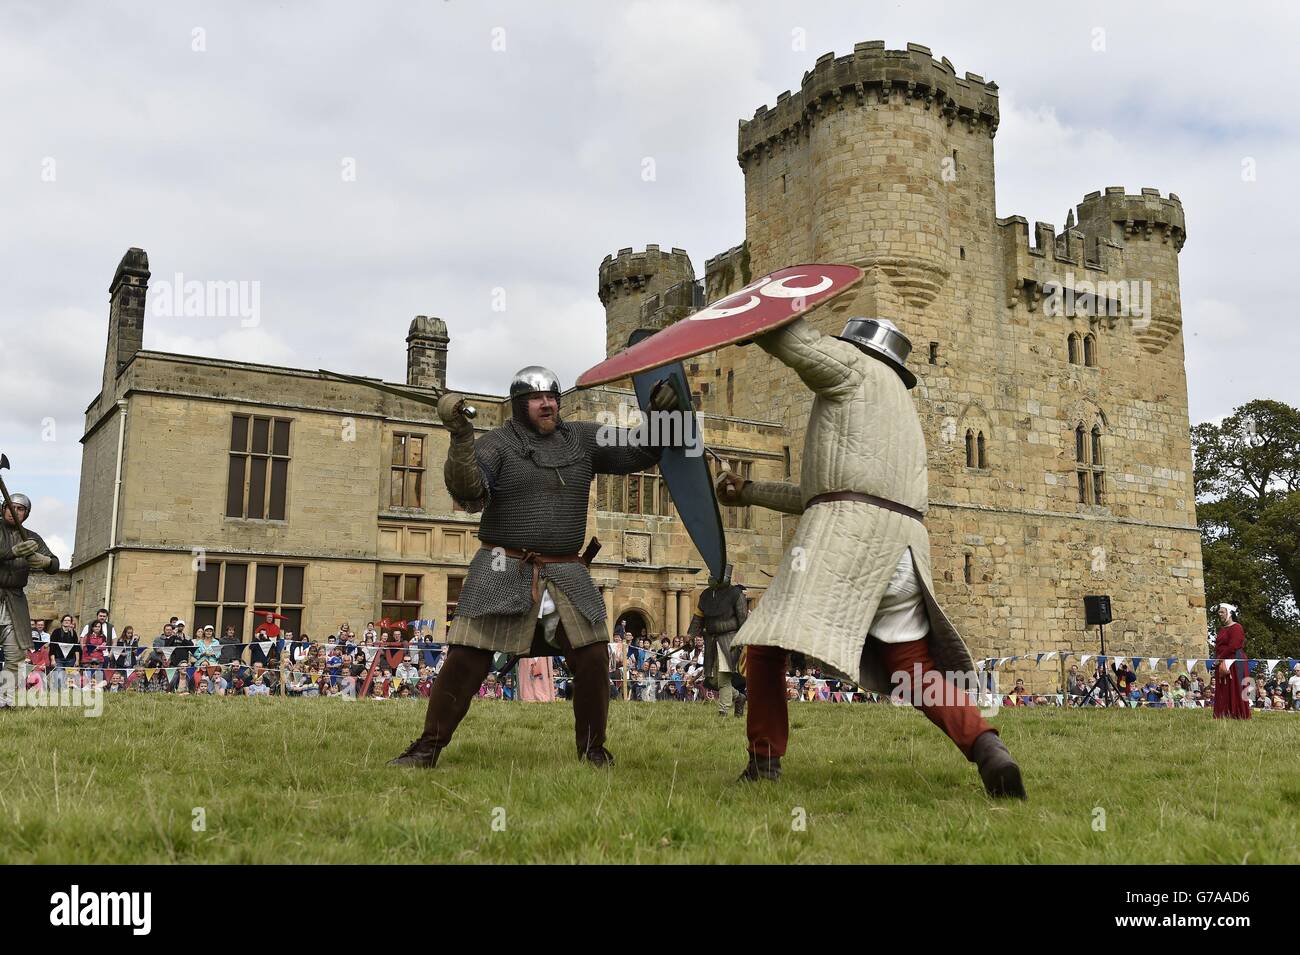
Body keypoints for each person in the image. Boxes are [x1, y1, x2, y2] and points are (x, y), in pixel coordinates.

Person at [720, 315, 1025, 797]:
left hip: (850, 537)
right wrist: (752, 491)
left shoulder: (853, 367)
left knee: (766, 642)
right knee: (912, 668)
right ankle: (988, 748)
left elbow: (792, 340)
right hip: (903, 549)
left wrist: (752, 308)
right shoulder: (899, 407)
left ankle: (764, 762)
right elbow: (826, 490)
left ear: (855, 348)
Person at [388, 365, 681, 769]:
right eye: (536, 399)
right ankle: (427, 746)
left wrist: (662, 410)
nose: (547, 404)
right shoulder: (497, 444)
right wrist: (459, 436)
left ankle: (593, 750)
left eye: (552, 397)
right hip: (502, 567)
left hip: (566, 571)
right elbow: (468, 492)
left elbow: (640, 449)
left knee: (594, 655)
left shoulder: (582, 437)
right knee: (466, 659)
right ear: (520, 405)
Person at [689, 565, 748, 718]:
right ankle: (739, 697)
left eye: (714, 574)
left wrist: (744, 641)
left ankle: (723, 711)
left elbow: (743, 620)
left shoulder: (736, 594)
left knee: (723, 678)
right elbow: (698, 618)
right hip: (711, 641)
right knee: (712, 680)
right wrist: (691, 636)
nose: (711, 577)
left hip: (729, 640)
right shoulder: (706, 595)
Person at [1212, 603, 1251, 720]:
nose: (1220, 614)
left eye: (1222, 612)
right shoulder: (1222, 629)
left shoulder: (1237, 627)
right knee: (1223, 687)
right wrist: (1218, 659)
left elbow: (1233, 646)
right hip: (1222, 660)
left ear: (1229, 613)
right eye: (1219, 612)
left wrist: (1219, 659)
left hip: (1234, 661)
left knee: (1236, 687)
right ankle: (1224, 713)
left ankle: (1238, 714)